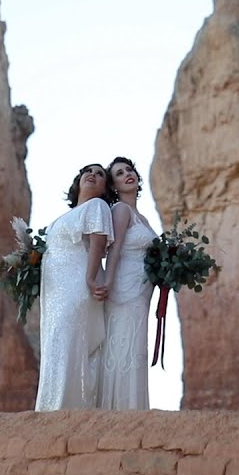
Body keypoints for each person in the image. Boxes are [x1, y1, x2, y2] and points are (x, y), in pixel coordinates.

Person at [34, 163, 114, 411]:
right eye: (88, 171)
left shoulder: (97, 206)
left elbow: (97, 242)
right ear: (78, 180)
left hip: (77, 286)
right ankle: (51, 407)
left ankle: (68, 409)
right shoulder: (64, 217)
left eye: (100, 174)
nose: (93, 175)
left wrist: (90, 279)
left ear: (105, 188)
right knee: (56, 342)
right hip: (55, 292)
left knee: (69, 342)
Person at [98, 156, 157, 409]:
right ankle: (120, 409)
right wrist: (108, 282)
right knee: (124, 345)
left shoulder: (142, 218)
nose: (127, 175)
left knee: (137, 346)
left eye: (129, 170)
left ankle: (135, 408)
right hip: (124, 287)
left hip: (142, 289)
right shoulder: (120, 210)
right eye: (120, 174)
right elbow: (115, 248)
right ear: (114, 186)